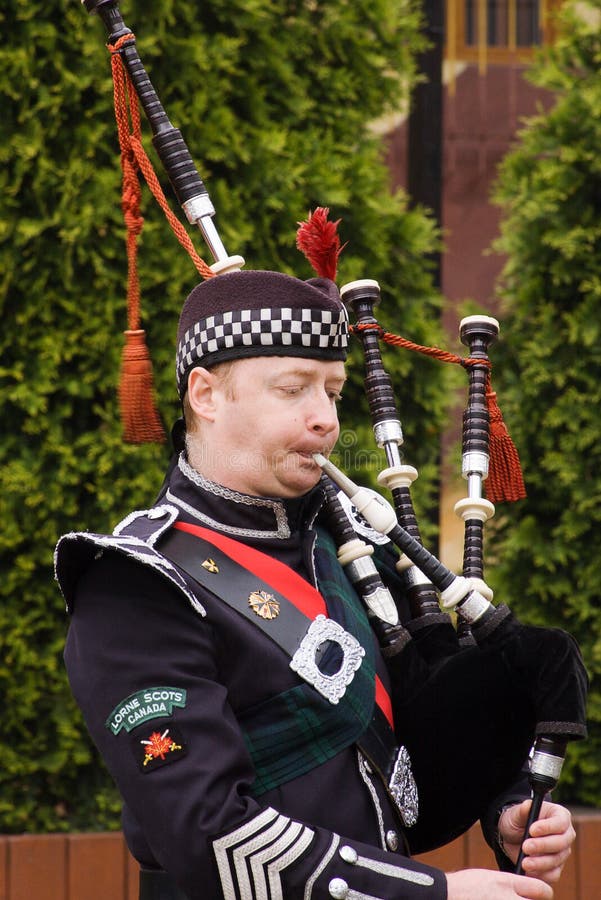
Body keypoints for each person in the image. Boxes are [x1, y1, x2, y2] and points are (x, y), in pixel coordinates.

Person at [56, 269, 576, 900]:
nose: (326, 419)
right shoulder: (137, 583)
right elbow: (208, 835)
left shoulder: (343, 541)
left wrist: (507, 805)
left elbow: (419, 710)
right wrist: (429, 894)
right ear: (206, 395)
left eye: (332, 391)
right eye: (293, 389)